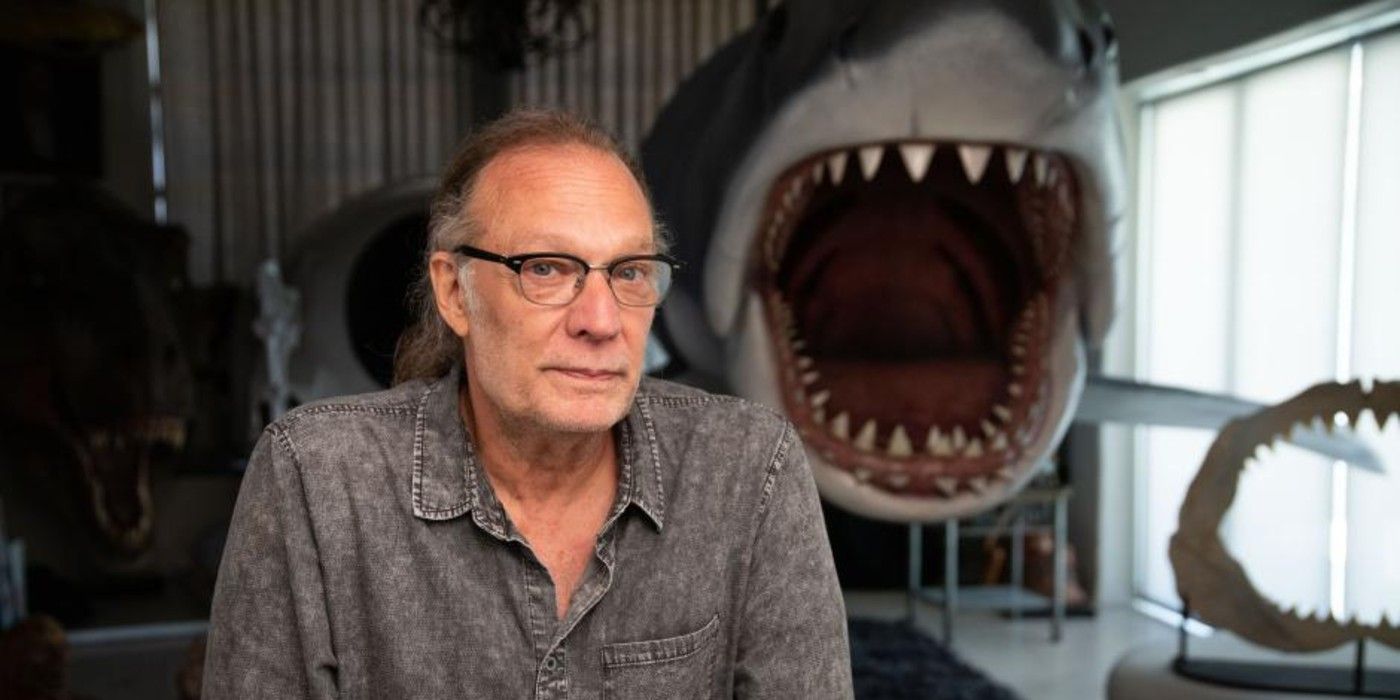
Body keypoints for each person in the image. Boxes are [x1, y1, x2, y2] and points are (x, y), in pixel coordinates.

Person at [202, 109, 852, 698]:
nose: (601, 321)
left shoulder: (747, 471)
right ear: (454, 292)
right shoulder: (318, 481)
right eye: (546, 268)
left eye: (628, 272)